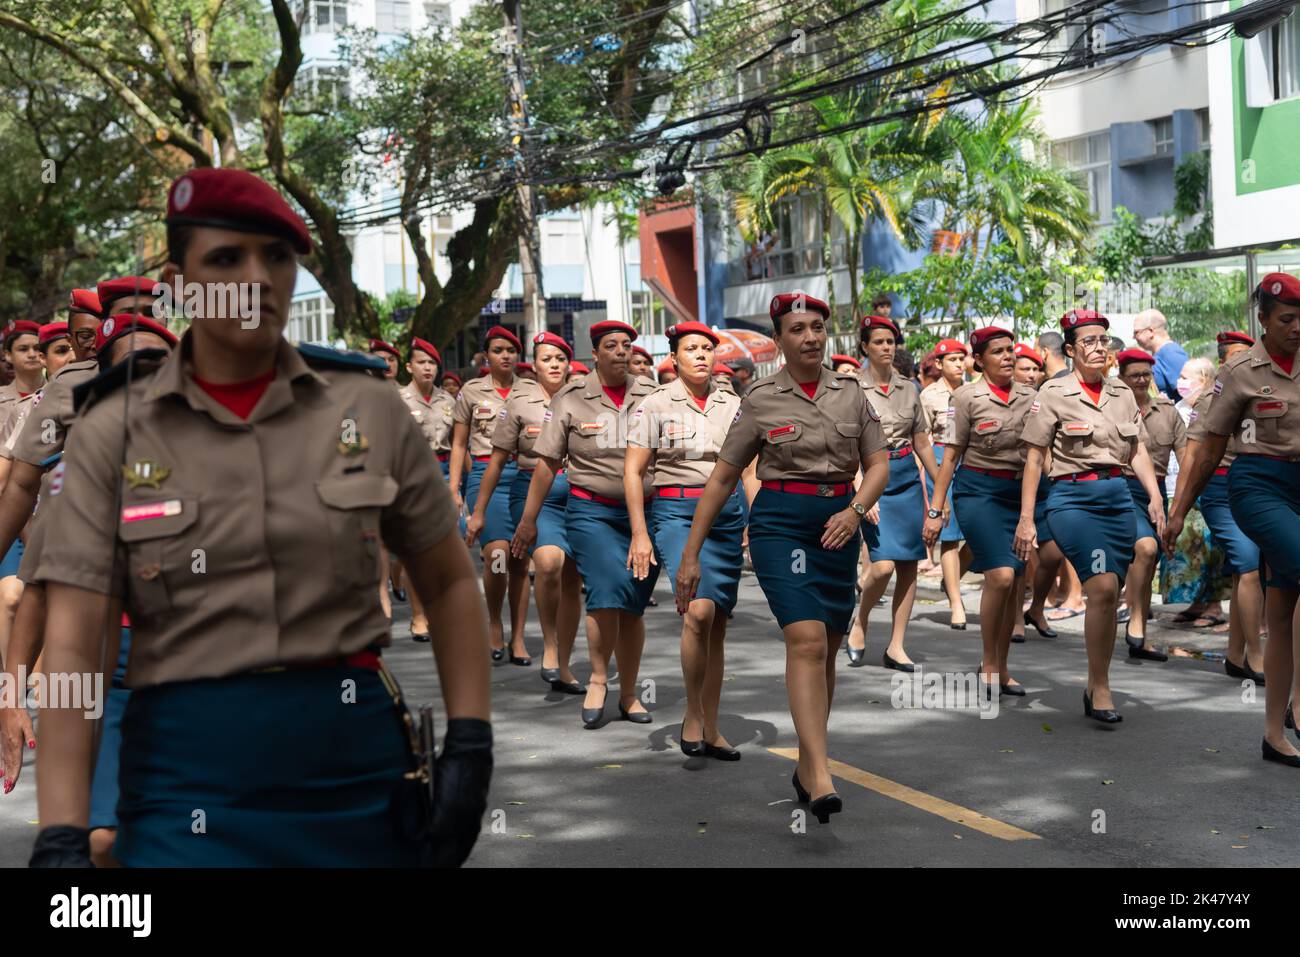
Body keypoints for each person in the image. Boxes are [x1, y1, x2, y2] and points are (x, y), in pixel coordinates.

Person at [27, 166, 492, 867]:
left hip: (354, 777)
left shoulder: (364, 408)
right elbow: (73, 647)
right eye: (226, 258)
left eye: (276, 256)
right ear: (180, 285)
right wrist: (61, 829)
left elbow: (450, 582)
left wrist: (470, 743)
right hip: (185, 787)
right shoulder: (111, 429)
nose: (257, 277)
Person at [677, 292, 888, 822]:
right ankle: (818, 773)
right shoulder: (761, 399)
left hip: (840, 524)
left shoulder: (851, 392)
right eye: (798, 329)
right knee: (807, 639)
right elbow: (724, 477)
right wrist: (690, 553)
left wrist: (857, 510)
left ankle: (808, 762)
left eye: (818, 327)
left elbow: (879, 464)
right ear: (780, 340)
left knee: (830, 645)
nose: (811, 337)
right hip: (780, 525)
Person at [2, 315, 177, 866]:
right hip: (108, 677)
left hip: (202, 680)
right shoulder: (77, 481)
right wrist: (12, 701)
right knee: (102, 840)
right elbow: (37, 591)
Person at [1164, 273, 1300, 767]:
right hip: (1258, 485)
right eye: (1287, 319)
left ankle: (1275, 733)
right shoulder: (1241, 370)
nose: (1297, 327)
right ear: (1263, 319)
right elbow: (1207, 447)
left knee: (1283, 609)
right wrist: (1178, 511)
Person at [1017, 309, 1165, 725]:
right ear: (1070, 350)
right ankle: (1099, 686)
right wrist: (1028, 518)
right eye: (1089, 342)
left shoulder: (1120, 393)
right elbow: (1033, 457)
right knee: (1100, 586)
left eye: (1104, 340)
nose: (1099, 348)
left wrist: (1153, 497)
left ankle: (1096, 680)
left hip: (1118, 497)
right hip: (1072, 500)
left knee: (1112, 585)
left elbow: (1136, 450)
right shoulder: (1053, 393)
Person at [515, 320, 659, 729]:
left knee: (632, 605)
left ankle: (629, 693)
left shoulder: (651, 395)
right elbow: (545, 463)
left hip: (644, 515)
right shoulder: (571, 398)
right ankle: (598, 679)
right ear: (594, 354)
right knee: (604, 593)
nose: (620, 351)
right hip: (590, 512)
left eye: (626, 345)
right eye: (610, 345)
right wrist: (528, 520)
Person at [626, 322, 748, 760]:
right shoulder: (654, 404)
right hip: (676, 513)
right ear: (674, 358)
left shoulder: (733, 404)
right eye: (690, 348)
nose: (700, 355)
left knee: (716, 622)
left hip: (727, 516)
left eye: (706, 348)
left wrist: (753, 517)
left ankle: (711, 725)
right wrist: (640, 533)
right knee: (697, 612)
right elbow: (633, 472)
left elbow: (747, 469)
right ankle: (693, 713)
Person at [923, 328, 1037, 695]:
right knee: (1001, 576)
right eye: (998, 352)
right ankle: (989, 662)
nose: (1008, 357)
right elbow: (950, 456)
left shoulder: (1031, 397)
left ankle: (1002, 668)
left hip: (1017, 494)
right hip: (977, 492)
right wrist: (936, 510)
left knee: (1014, 583)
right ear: (980, 360)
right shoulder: (965, 397)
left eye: (1010, 351)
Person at [469, 332, 583, 692]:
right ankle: (547, 644)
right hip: (533, 493)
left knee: (572, 580)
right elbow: (496, 460)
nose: (554, 364)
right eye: (546, 358)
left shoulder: (584, 398)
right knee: (546, 563)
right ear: (534, 365)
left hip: (581, 495)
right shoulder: (518, 402)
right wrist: (479, 512)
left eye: (560, 358)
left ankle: (564, 663)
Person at [846, 315, 941, 671]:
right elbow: (848, 446)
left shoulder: (907, 388)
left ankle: (897, 645)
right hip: (871, 475)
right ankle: (861, 621)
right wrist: (860, 493)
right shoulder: (852, 387)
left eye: (891, 342)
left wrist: (940, 485)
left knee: (907, 566)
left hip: (904, 479)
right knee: (882, 566)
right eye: (879, 342)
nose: (887, 348)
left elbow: (920, 440)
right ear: (865, 347)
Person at [1170, 332, 1265, 681]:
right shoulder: (1208, 400)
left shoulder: (1263, 389)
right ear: (1223, 361)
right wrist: (1177, 512)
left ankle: (1235, 654)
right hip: (1221, 489)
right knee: (1249, 564)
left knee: (1248, 572)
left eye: (1249, 354)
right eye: (1237, 356)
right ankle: (1256, 655)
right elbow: (1192, 460)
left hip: (1260, 486)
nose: (1246, 362)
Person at [450, 326, 538, 664]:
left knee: (520, 560)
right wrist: (454, 489)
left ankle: (518, 636)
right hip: (486, 480)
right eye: (498, 350)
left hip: (525, 477)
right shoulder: (471, 392)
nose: (505, 356)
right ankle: (495, 623)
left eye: (510, 351)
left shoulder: (530, 390)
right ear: (486, 355)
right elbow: (459, 444)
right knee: (497, 556)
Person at [1115, 349, 1185, 662]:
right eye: (1135, 375)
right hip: (1123, 487)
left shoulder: (1168, 411)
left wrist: (1181, 504)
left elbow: (1186, 459)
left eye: (1147, 374)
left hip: (1157, 490)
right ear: (1121, 378)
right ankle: (1136, 619)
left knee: (1150, 560)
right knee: (1145, 549)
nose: (1142, 380)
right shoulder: (1113, 409)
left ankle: (1140, 639)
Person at [1162, 355, 1233, 632]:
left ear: (1204, 380)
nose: (1180, 382)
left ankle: (1214, 606)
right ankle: (1199, 603)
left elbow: (1195, 455)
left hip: (1210, 485)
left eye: (1186, 377)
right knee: (1192, 550)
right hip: (1181, 487)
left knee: (1212, 548)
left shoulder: (1217, 403)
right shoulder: (1178, 407)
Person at [398, 338, 457, 641]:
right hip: (412, 476)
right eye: (421, 362)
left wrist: (459, 487)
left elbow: (461, 445)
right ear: (409, 366)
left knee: (445, 548)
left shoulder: (448, 400)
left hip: (445, 472)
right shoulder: (397, 399)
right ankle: (419, 614)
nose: (427, 368)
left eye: (432, 363)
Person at [919, 338, 971, 630]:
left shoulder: (974, 390)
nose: (958, 364)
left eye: (962, 358)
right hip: (940, 459)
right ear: (939, 364)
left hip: (972, 459)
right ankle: (955, 602)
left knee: (976, 533)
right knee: (949, 534)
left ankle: (950, 577)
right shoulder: (929, 395)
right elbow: (923, 437)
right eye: (952, 359)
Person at [1132, 308, 1187, 402]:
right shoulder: (1160, 353)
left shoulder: (1171, 353)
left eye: (1136, 332)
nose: (1133, 337)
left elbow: (1188, 393)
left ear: (1150, 331)